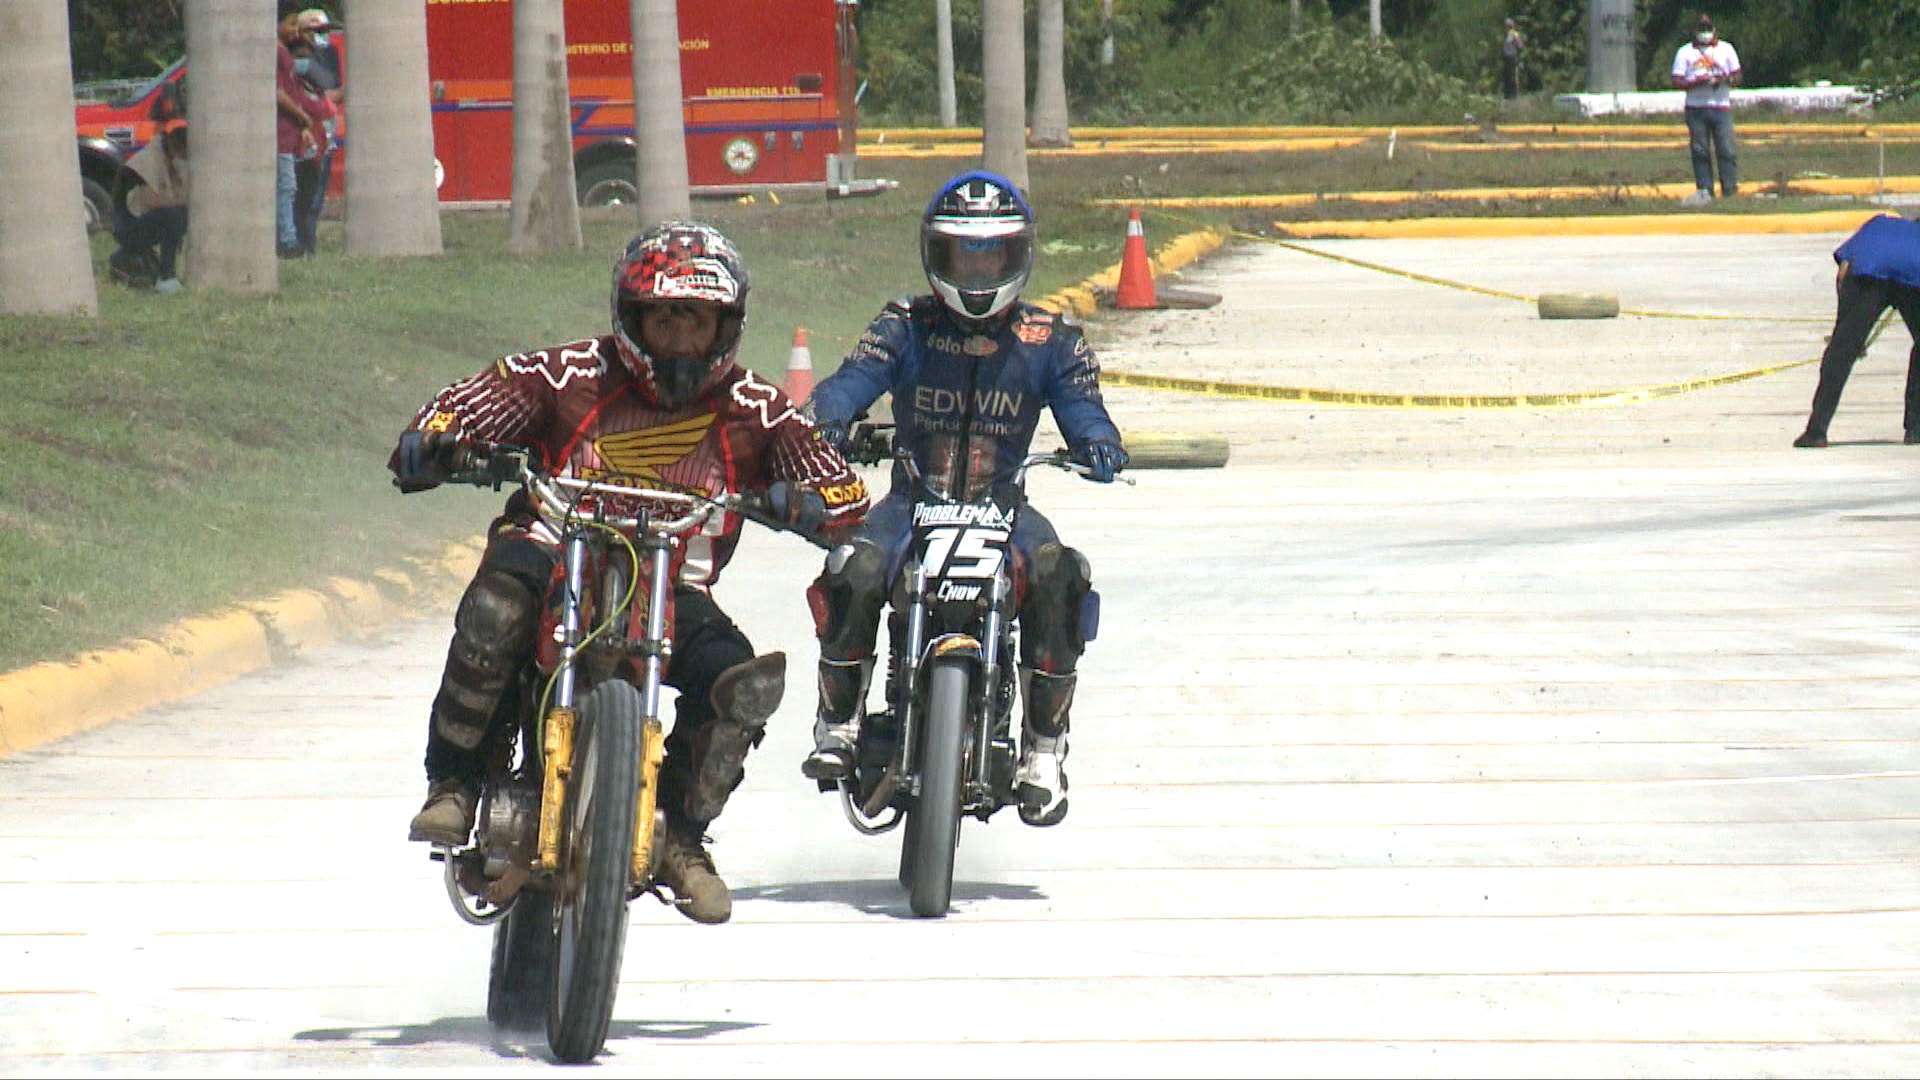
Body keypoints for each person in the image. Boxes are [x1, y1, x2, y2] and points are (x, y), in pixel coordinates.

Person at [389, 222, 868, 925]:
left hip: (674, 587)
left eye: (695, 319)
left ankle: (680, 835)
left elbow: (843, 492)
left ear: (724, 325)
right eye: (664, 316)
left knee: (744, 684)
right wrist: (435, 439)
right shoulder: (569, 373)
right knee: (495, 607)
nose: (679, 337)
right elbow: (467, 402)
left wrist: (806, 503)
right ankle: (453, 782)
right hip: (553, 546)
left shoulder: (756, 407)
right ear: (632, 316)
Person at [798, 170, 1128, 828]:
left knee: (1064, 576)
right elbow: (848, 383)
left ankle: (1043, 748)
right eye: (963, 253)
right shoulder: (903, 325)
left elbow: (1085, 409)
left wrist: (1099, 446)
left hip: (1007, 510)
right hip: (909, 505)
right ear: (935, 255)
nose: (978, 271)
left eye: (992, 253)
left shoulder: (1051, 339)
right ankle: (837, 723)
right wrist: (825, 420)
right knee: (852, 570)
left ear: (1019, 255)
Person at [1793, 214, 1920, 449]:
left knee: (1841, 353)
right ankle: (1916, 428)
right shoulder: (1910, 237)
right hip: (1914, 276)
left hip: (1867, 273)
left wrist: (1846, 332)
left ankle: (1816, 431)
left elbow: (1843, 274)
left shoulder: (1876, 226)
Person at [108, 123, 189, 294]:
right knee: (173, 216)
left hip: (138, 220)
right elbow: (151, 199)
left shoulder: (167, 158)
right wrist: (183, 201)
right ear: (176, 146)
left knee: (179, 214)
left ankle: (127, 257)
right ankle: (166, 276)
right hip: (126, 225)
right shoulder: (148, 160)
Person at [1671, 13, 1741, 205]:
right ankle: (1704, 189)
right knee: (1700, 150)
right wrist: (1695, 82)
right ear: (1695, 31)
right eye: (1701, 29)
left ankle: (1730, 189)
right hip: (1696, 108)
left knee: (1726, 149)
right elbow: (1677, 80)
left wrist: (1723, 80)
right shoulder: (1685, 52)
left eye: (1707, 28)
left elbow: (1737, 76)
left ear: (1714, 29)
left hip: (1721, 107)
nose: (1705, 33)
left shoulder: (1726, 49)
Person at [291, 8, 343, 256]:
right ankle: (298, 245)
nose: (322, 35)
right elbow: (296, 96)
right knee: (299, 195)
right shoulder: (295, 57)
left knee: (316, 197)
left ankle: (309, 247)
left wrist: (323, 99)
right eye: (316, 30)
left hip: (326, 134)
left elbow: (338, 91)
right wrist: (322, 99)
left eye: (325, 30)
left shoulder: (330, 54)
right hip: (301, 134)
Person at [276, 1, 320, 259]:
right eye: (292, 23)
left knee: (289, 186)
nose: (296, 30)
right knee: (286, 187)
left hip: (290, 131)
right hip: (281, 132)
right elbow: (279, 93)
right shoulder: (277, 53)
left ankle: (289, 236)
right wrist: (302, 116)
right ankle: (287, 240)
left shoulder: (285, 52)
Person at [1500, 18, 1525, 101]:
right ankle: (1507, 95)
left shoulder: (1514, 34)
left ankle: (1513, 95)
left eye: (1506, 26)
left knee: (1512, 76)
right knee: (1506, 76)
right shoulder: (1506, 35)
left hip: (1512, 57)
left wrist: (1519, 58)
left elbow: (1520, 46)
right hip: (1506, 58)